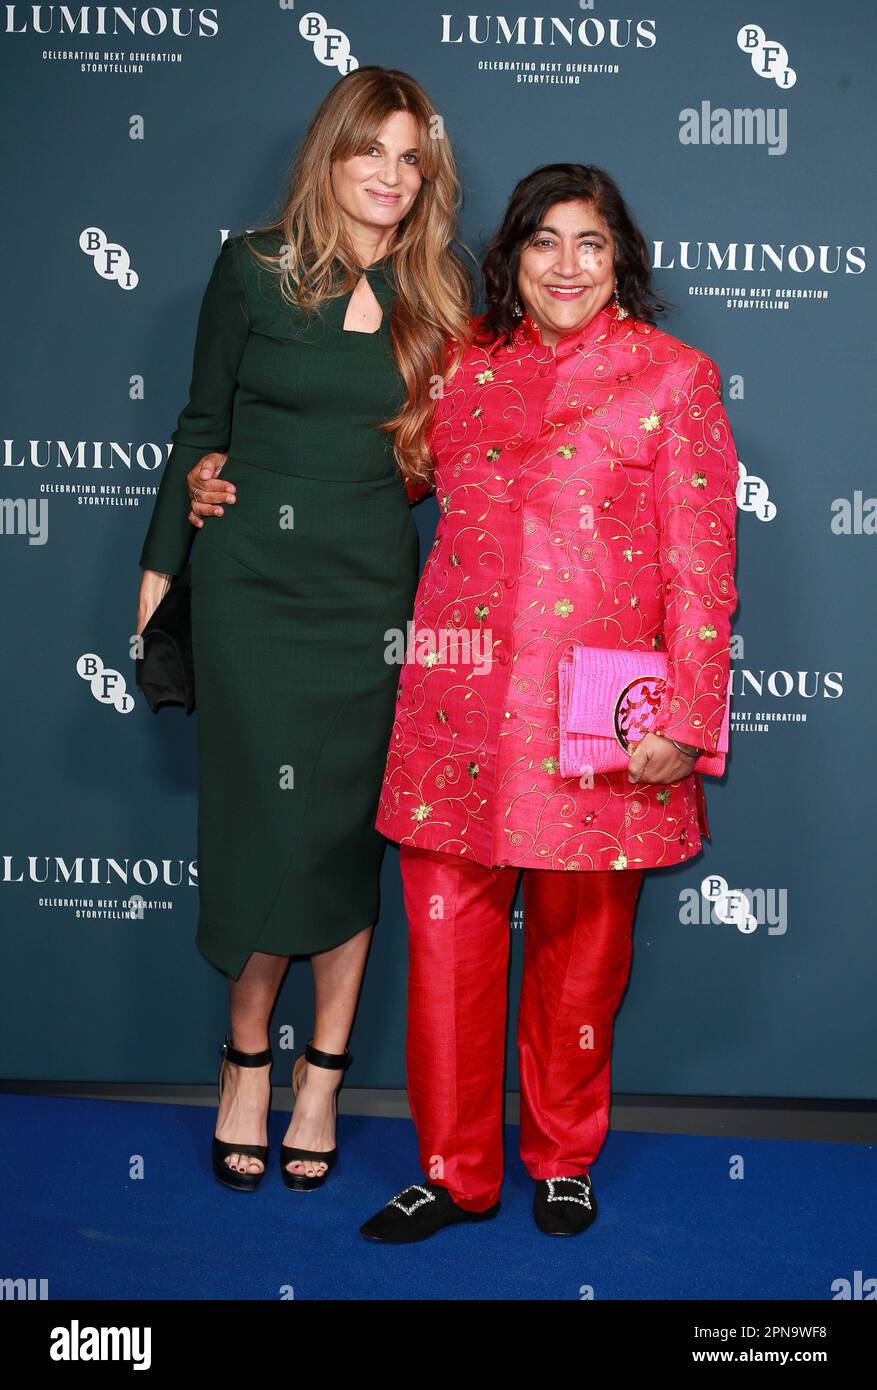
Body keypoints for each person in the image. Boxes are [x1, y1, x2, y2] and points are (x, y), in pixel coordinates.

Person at [357, 163, 740, 1241]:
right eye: (543, 242)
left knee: (581, 962)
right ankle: (452, 1173)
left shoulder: (672, 376)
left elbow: (702, 564)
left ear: (620, 260)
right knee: (446, 958)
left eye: (590, 243)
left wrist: (686, 715)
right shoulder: (460, 364)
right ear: (511, 256)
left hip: (599, 712)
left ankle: (563, 1159)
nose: (565, 266)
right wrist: (226, 480)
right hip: (456, 704)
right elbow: (367, 482)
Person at [134, 67, 471, 1193]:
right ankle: (244, 1062)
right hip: (252, 591)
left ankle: (321, 1074)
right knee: (258, 831)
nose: (389, 174)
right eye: (368, 149)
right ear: (328, 155)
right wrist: (160, 571)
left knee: (341, 834)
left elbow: (452, 462)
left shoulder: (443, 293)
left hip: (371, 600)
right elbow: (200, 423)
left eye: (409, 157)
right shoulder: (253, 268)